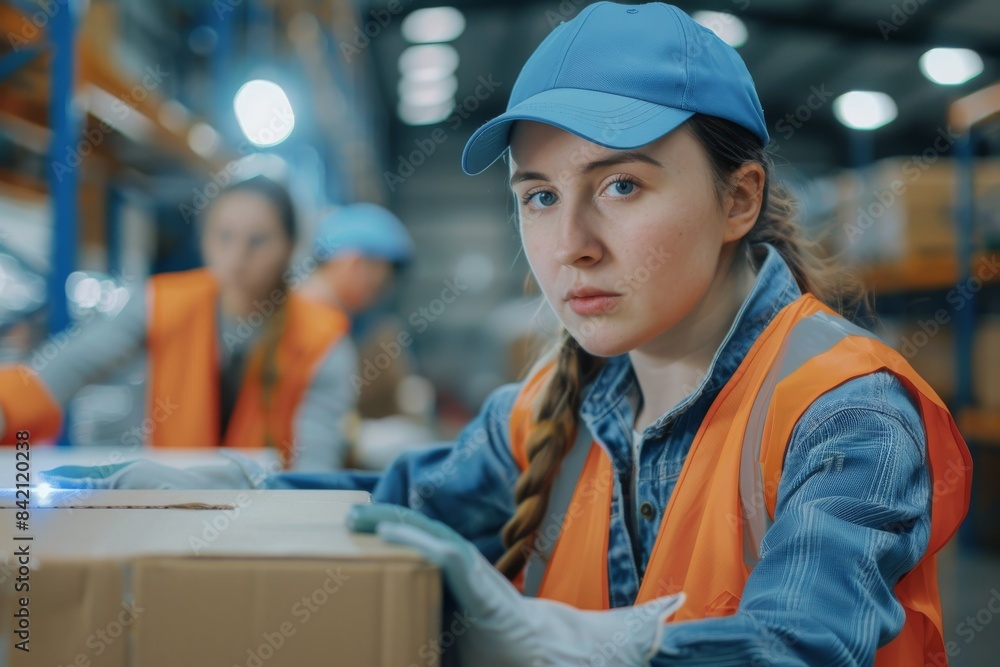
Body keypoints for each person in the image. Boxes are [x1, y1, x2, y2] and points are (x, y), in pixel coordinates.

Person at [41, 3, 972, 666]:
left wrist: (593, 646)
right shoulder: (547, 407)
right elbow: (406, 503)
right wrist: (240, 487)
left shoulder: (843, 412)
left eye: (621, 186)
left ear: (739, 197)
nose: (569, 246)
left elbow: (802, 645)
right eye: (538, 196)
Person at [0, 176, 360, 471]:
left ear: (290, 247)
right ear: (204, 237)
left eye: (258, 241)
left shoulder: (322, 340)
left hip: (267, 523)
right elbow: (71, 364)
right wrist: (6, 409)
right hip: (172, 510)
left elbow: (314, 467)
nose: (236, 257)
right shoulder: (164, 302)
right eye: (224, 237)